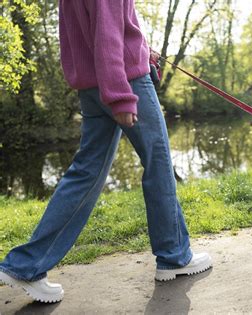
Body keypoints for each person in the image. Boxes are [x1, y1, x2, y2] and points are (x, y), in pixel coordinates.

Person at [0, 0, 212, 303]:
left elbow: (87, 31)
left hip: (91, 84)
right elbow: (108, 33)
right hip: (125, 82)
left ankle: (26, 265)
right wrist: (120, 95)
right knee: (158, 163)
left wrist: (139, 50)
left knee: (86, 172)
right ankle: (174, 256)